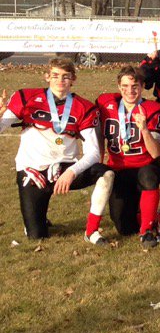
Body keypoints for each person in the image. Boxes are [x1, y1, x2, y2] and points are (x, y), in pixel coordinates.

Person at [0, 57, 103, 241]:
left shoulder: (84, 107)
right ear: (47, 76)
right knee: (36, 236)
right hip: (33, 169)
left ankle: (92, 230)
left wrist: (72, 172)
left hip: (64, 168)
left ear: (73, 79)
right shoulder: (26, 97)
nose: (60, 80)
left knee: (107, 174)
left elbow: (94, 152)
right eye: (55, 75)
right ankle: (37, 218)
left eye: (65, 76)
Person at [90, 65, 160, 248]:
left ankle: (147, 230)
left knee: (148, 177)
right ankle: (145, 213)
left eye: (134, 86)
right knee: (124, 227)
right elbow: (98, 132)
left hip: (144, 166)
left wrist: (144, 130)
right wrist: (100, 156)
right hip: (118, 168)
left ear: (142, 86)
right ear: (118, 86)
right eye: (125, 86)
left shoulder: (154, 109)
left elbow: (156, 152)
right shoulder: (105, 103)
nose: (130, 91)